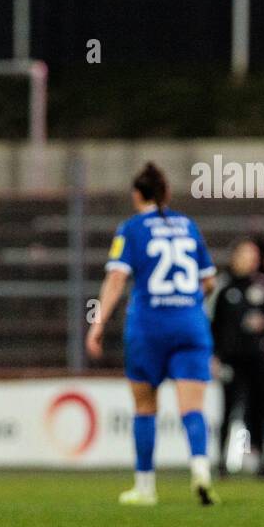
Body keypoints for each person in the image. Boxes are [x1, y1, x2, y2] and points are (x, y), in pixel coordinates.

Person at [86, 162, 220, 506]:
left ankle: (145, 487)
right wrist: (187, 303)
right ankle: (201, 471)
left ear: (136, 195)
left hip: (149, 326)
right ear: (167, 194)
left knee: (145, 406)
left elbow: (116, 279)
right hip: (191, 323)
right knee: (193, 406)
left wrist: (98, 324)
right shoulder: (188, 225)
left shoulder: (131, 228)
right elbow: (209, 282)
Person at [209, 239, 264, 475]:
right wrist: (213, 355)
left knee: (258, 410)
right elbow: (210, 323)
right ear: (234, 257)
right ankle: (222, 462)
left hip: (258, 359)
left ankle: (261, 462)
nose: (251, 260)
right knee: (229, 409)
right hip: (231, 358)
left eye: (253, 256)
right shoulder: (222, 286)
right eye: (245, 255)